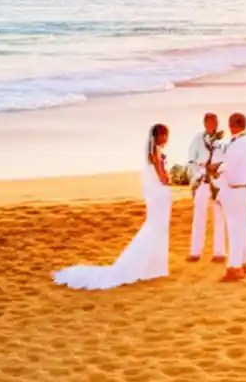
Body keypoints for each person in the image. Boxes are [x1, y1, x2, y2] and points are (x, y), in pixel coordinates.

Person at [53, 124, 172, 290]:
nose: (166, 139)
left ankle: (151, 265)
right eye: (165, 135)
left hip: (155, 198)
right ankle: (152, 265)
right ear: (159, 136)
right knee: (156, 228)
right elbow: (162, 177)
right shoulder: (156, 154)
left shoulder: (151, 154)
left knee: (154, 227)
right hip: (159, 196)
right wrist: (170, 179)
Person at [209, 112, 246, 282]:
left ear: (232, 125)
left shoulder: (238, 144)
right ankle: (245, 261)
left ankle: (235, 267)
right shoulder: (244, 141)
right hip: (244, 188)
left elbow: (229, 165)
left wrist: (215, 168)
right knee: (242, 226)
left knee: (235, 228)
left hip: (237, 190)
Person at [186, 112, 226, 263]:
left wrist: (217, 169)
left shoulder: (223, 140)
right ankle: (195, 252)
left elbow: (226, 159)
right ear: (205, 123)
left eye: (215, 122)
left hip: (217, 180)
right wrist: (199, 173)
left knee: (219, 215)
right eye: (210, 122)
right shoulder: (197, 138)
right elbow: (191, 159)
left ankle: (219, 252)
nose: (213, 125)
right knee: (199, 216)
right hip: (202, 179)